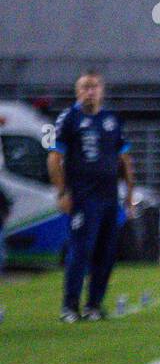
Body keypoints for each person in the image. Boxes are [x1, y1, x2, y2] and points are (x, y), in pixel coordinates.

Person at [47, 70, 134, 323]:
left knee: (106, 253)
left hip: (110, 197)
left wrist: (129, 194)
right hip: (84, 198)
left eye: (94, 86)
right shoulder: (69, 119)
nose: (90, 91)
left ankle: (94, 305)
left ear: (102, 90)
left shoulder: (112, 120)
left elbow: (124, 160)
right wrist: (62, 191)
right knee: (80, 250)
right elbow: (54, 158)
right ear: (78, 91)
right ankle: (69, 307)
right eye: (85, 87)